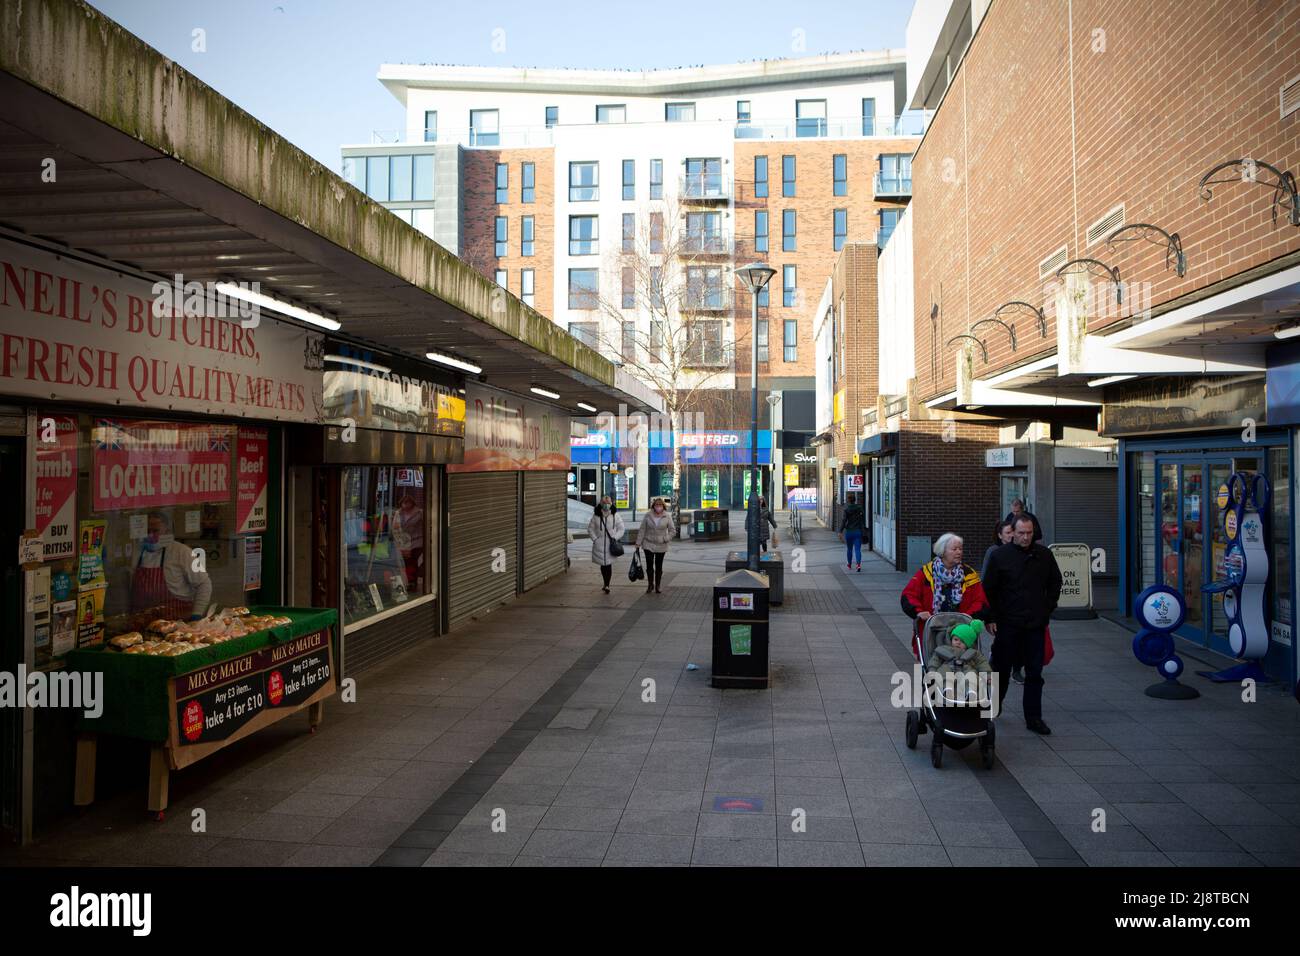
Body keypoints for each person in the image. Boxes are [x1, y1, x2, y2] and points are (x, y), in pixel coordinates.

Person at [982, 516, 1063, 735]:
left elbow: (1056, 582)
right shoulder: (1000, 556)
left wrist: (1047, 608)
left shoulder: (1044, 555)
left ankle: (1034, 718)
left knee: (1034, 672)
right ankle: (993, 707)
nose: (1025, 537)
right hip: (1007, 624)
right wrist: (990, 618)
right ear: (1012, 533)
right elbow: (988, 589)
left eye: (1029, 533)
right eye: (1021, 533)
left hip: (1035, 623)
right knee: (1001, 669)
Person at [131, 511, 212, 620]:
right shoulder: (136, 552)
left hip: (177, 621)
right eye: (147, 531)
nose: (150, 535)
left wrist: (197, 614)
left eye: (155, 531)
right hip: (142, 622)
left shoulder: (183, 552)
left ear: (167, 531)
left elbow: (204, 584)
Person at [901, 533, 990, 623]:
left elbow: (980, 601)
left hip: (961, 630)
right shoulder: (926, 572)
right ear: (942, 551)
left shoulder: (969, 574)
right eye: (954, 549)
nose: (959, 552)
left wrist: (967, 617)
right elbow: (908, 595)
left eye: (960, 549)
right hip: (931, 629)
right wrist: (918, 612)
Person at [635, 497, 673, 594]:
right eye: (657, 505)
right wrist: (638, 543)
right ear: (653, 506)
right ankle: (650, 585)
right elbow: (642, 529)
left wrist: (666, 538)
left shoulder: (667, 516)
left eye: (660, 505)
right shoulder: (648, 515)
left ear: (663, 506)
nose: (658, 507)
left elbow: (673, 531)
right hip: (648, 543)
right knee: (649, 565)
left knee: (659, 566)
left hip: (661, 544)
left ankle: (658, 585)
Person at [587, 495, 625, 594]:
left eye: (608, 503)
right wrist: (595, 539)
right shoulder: (596, 516)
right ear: (601, 503)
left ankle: (607, 585)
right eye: (604, 503)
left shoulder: (615, 515)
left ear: (611, 503)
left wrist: (615, 537)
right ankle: (605, 583)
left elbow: (621, 529)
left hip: (610, 544)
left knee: (608, 565)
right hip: (599, 544)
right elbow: (590, 529)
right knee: (603, 565)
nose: (606, 505)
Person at [839, 492, 866, 571]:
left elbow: (844, 521)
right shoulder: (859, 508)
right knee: (857, 549)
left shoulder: (847, 510)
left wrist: (840, 531)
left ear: (848, 501)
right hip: (857, 531)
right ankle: (858, 565)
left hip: (849, 532)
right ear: (855, 500)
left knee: (849, 549)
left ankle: (849, 564)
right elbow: (863, 519)